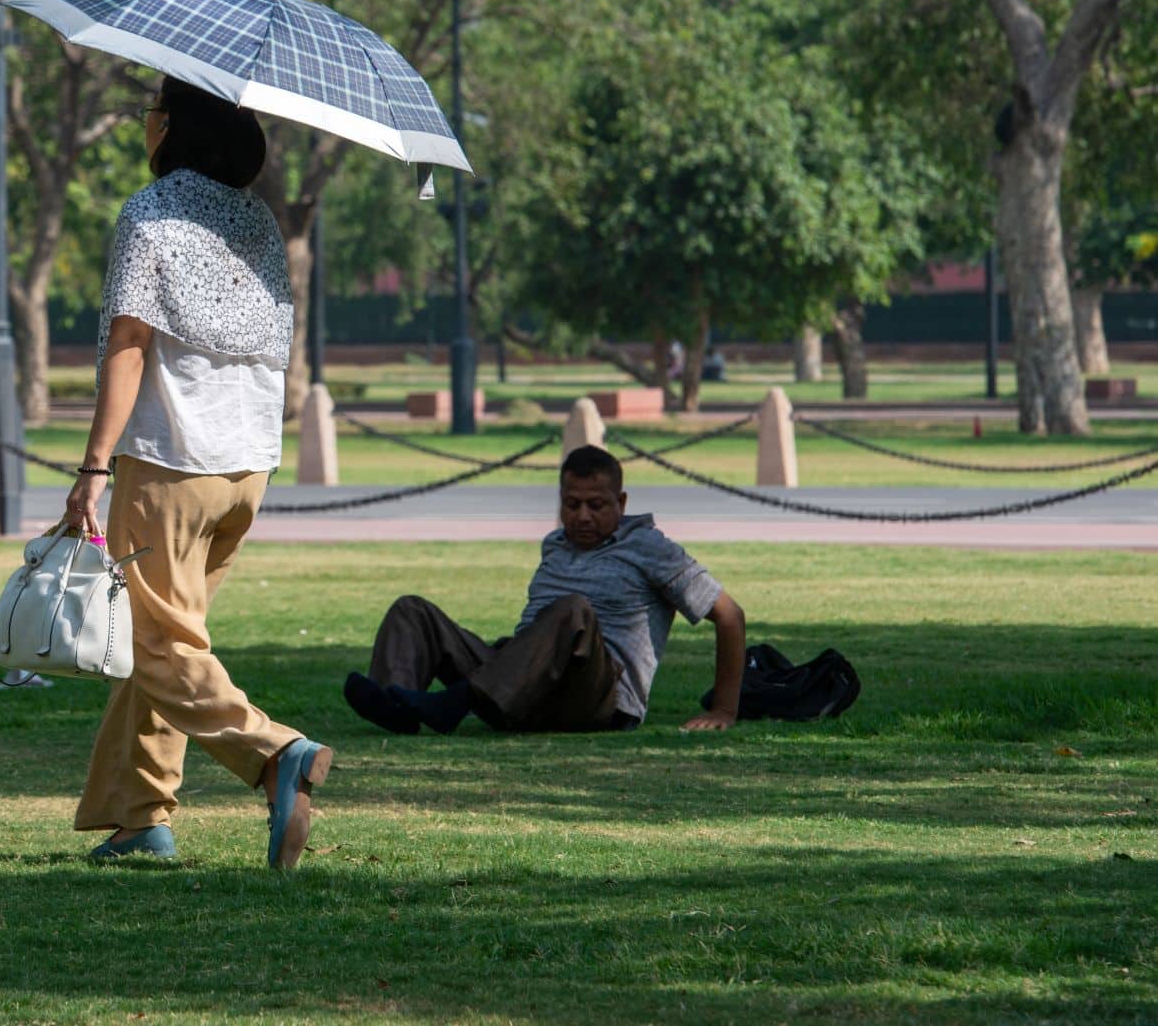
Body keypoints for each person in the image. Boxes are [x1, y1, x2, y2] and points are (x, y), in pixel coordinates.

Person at [63, 76, 333, 870]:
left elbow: (130, 344)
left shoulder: (148, 215)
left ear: (173, 126)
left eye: (152, 107)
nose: (144, 120)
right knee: (164, 642)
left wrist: (92, 466)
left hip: (171, 462)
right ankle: (139, 816)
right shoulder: (258, 220)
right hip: (245, 469)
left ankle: (276, 751)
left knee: (155, 645)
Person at [344, 445, 746, 735]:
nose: (583, 516)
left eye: (596, 504)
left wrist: (725, 709)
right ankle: (394, 703)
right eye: (572, 504)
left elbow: (730, 615)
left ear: (621, 503)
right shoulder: (555, 544)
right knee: (412, 611)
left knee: (574, 611)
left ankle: (459, 700)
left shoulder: (651, 547)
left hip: (597, 698)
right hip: (524, 688)